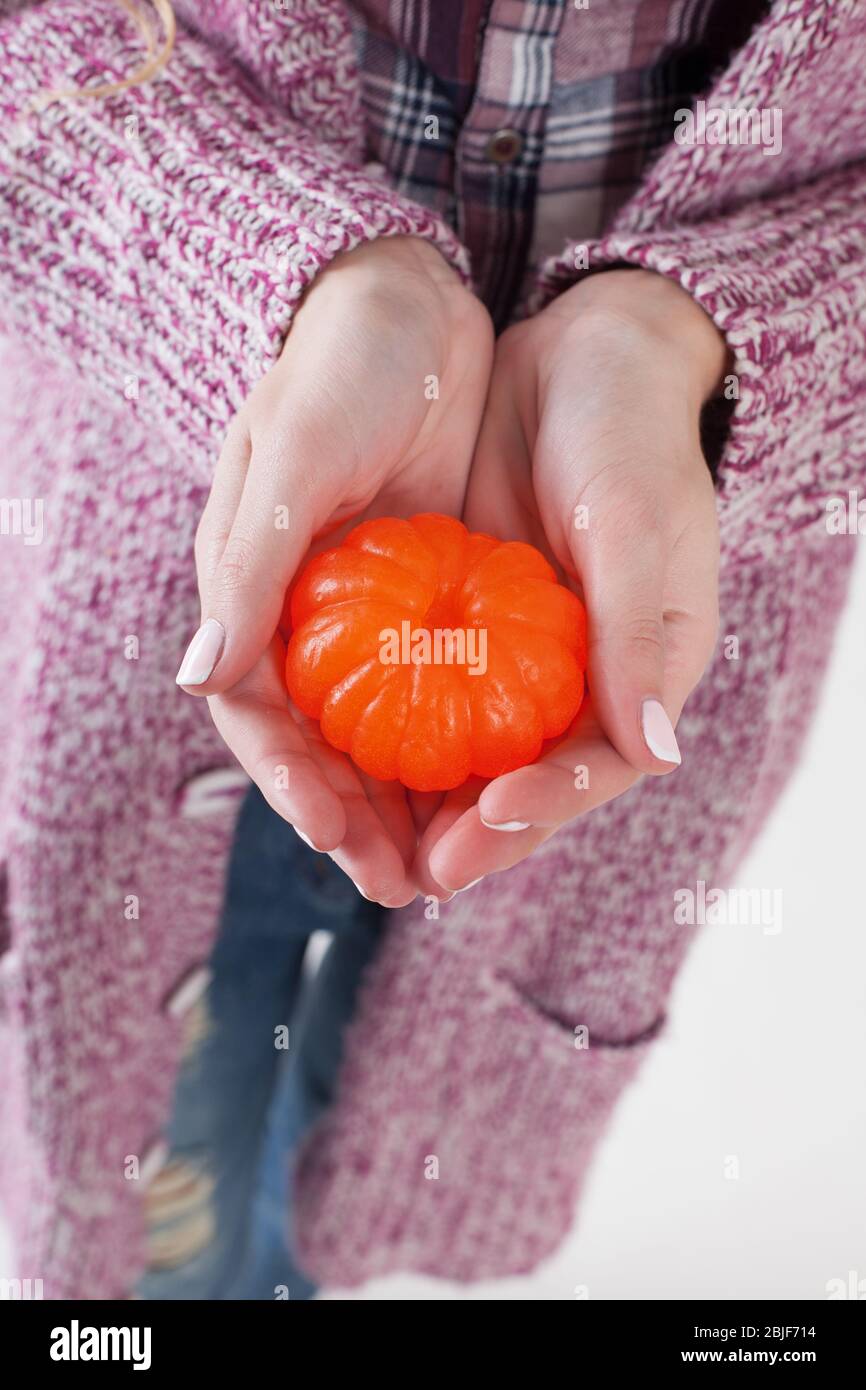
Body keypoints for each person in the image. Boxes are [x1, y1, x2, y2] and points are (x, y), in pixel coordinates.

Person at [0, 0, 863, 1299]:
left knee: (366, 1130)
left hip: (591, 696)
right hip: (135, 568)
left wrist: (695, 356)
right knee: (163, 1163)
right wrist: (283, 279)